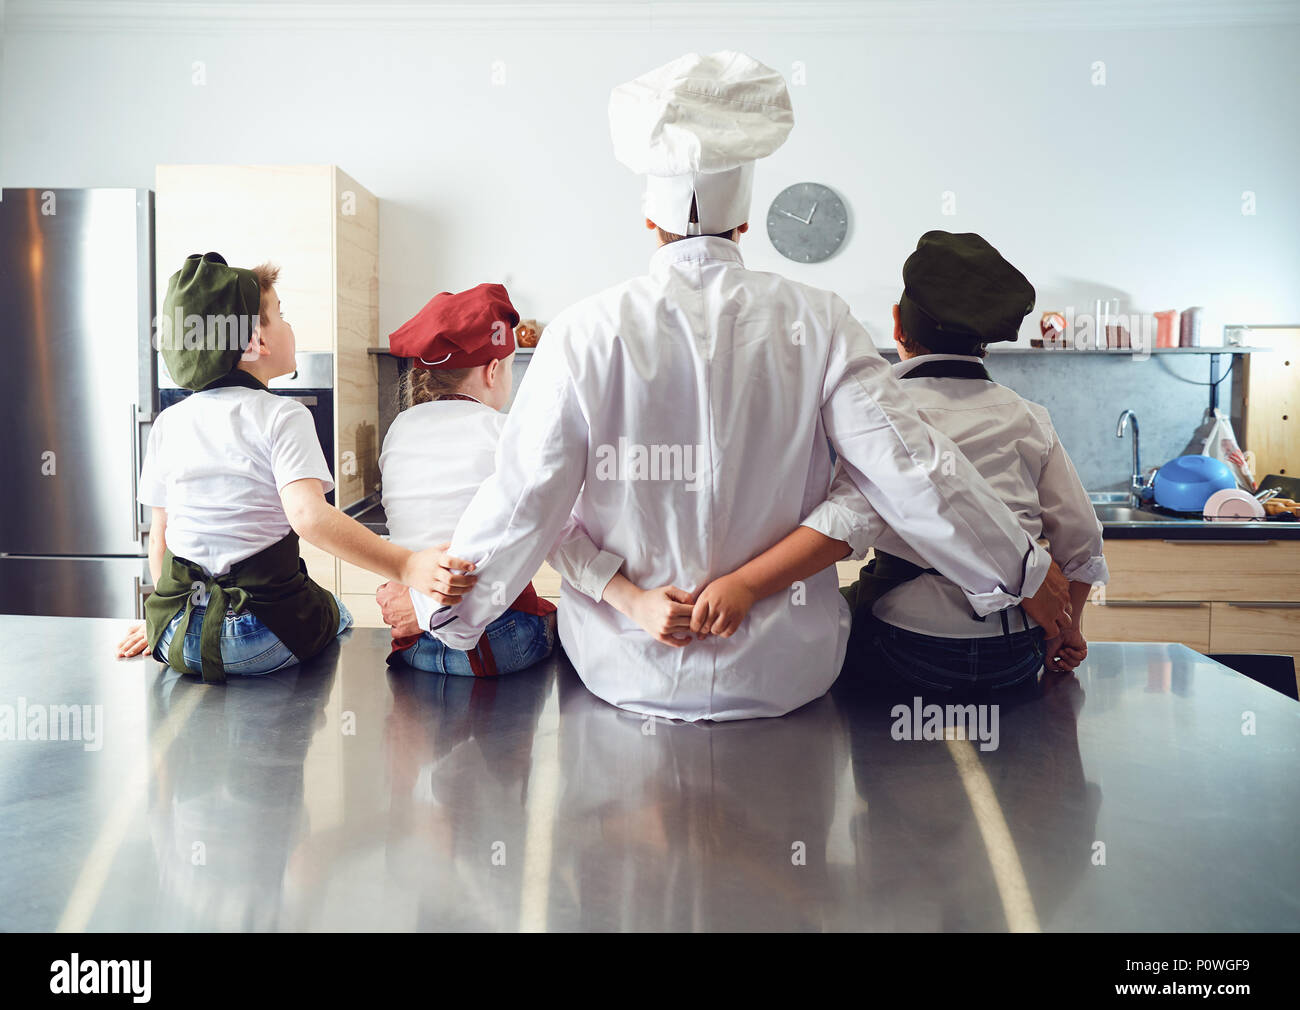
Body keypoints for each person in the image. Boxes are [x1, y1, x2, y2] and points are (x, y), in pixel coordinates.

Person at [407, 51, 1071, 722]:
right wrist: (1024, 573)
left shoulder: (581, 332)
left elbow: (527, 494)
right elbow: (909, 466)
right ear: (746, 220)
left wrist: (448, 608)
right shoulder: (819, 320)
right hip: (786, 679)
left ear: (649, 219)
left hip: (623, 677)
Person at [691, 231, 1107, 697]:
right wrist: (1067, 629)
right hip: (1014, 653)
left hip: (906, 651)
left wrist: (746, 584)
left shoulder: (873, 412)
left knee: (830, 625)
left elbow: (845, 523)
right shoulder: (1030, 417)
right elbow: (1084, 542)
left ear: (897, 325)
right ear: (985, 341)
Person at [115, 252, 455, 680]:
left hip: (176, 637)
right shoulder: (282, 415)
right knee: (339, 611)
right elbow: (310, 517)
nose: (291, 326)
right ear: (256, 341)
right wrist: (407, 566)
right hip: (260, 637)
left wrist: (162, 623)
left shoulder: (168, 423)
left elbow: (160, 541)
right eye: (281, 314)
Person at [374, 283, 697, 675]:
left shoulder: (399, 429)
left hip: (411, 645)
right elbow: (554, 530)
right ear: (493, 371)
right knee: (564, 621)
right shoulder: (503, 432)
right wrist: (630, 599)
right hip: (495, 644)